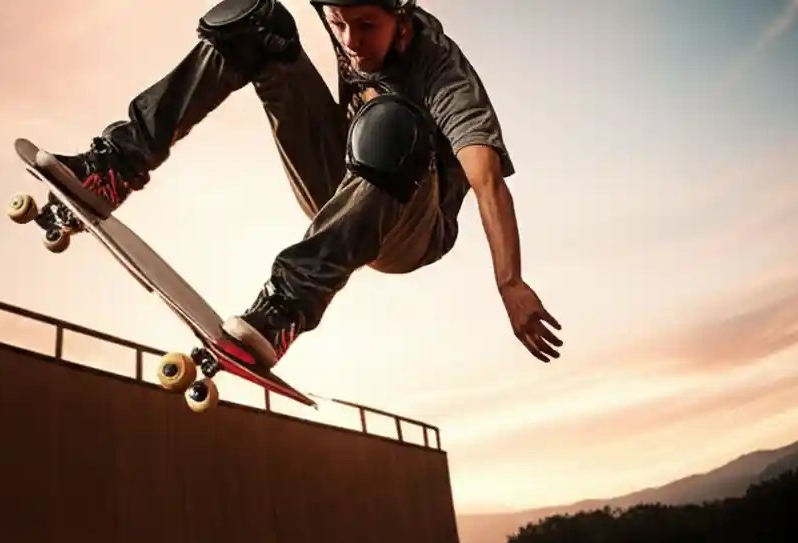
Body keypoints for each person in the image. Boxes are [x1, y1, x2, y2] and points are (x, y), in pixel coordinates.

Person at [44, 0, 563, 368]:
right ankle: (115, 166)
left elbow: (487, 179)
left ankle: (283, 311)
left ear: (401, 22)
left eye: (366, 26)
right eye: (338, 23)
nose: (351, 43)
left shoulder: (444, 74)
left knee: (392, 124)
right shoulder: (344, 19)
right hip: (339, 183)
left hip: (409, 230)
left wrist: (510, 282)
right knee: (253, 24)